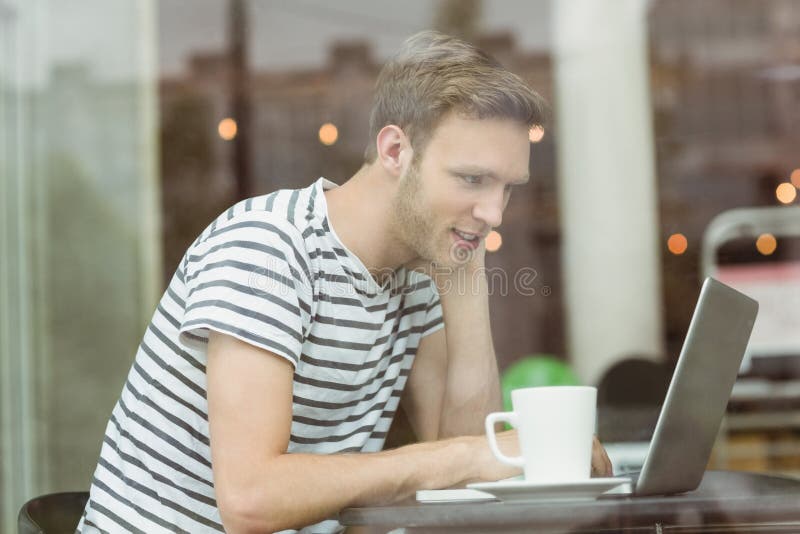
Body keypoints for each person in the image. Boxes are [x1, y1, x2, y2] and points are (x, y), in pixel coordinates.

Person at [79, 31, 612, 534]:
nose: (494, 212)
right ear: (395, 152)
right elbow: (249, 499)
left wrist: (465, 282)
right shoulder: (269, 247)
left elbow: (466, 486)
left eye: (507, 188)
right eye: (472, 179)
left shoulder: (419, 276)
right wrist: (471, 457)